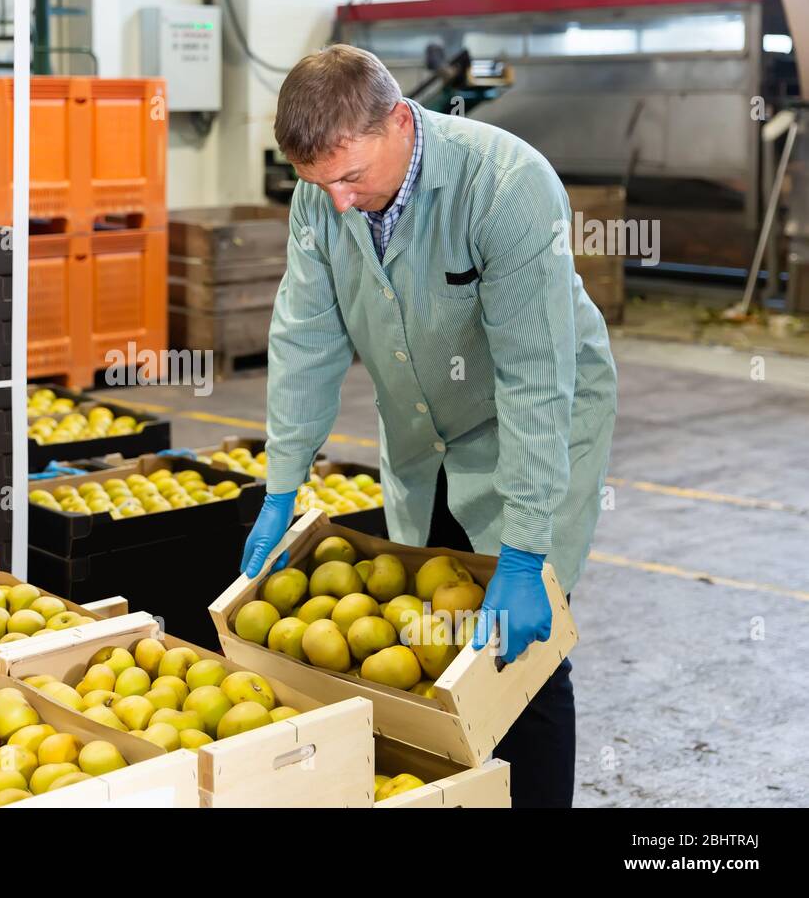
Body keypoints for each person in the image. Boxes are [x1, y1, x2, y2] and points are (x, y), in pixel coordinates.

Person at [240, 44, 617, 807]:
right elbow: (305, 338)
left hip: (531, 430)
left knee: (517, 659)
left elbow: (536, 378)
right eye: (319, 184)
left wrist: (525, 548)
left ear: (401, 122)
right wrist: (282, 483)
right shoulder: (323, 199)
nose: (337, 202)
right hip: (424, 434)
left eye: (350, 177)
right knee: (430, 636)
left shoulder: (507, 186)